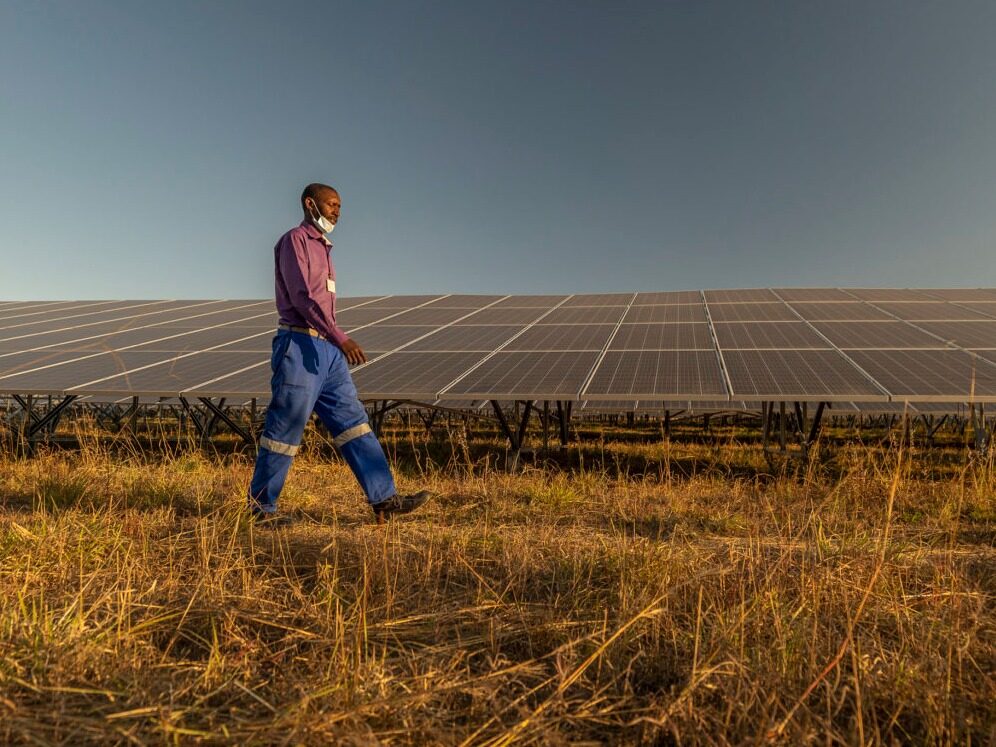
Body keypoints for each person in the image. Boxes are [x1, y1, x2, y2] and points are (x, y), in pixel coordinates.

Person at [247, 182, 430, 526]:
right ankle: (261, 511)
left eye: (340, 206)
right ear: (309, 204)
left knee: (354, 424)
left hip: (328, 352)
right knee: (285, 429)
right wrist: (339, 336)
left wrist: (333, 340)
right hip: (300, 346)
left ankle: (384, 499)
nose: (337, 212)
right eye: (331, 204)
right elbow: (302, 296)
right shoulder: (295, 241)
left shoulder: (326, 249)